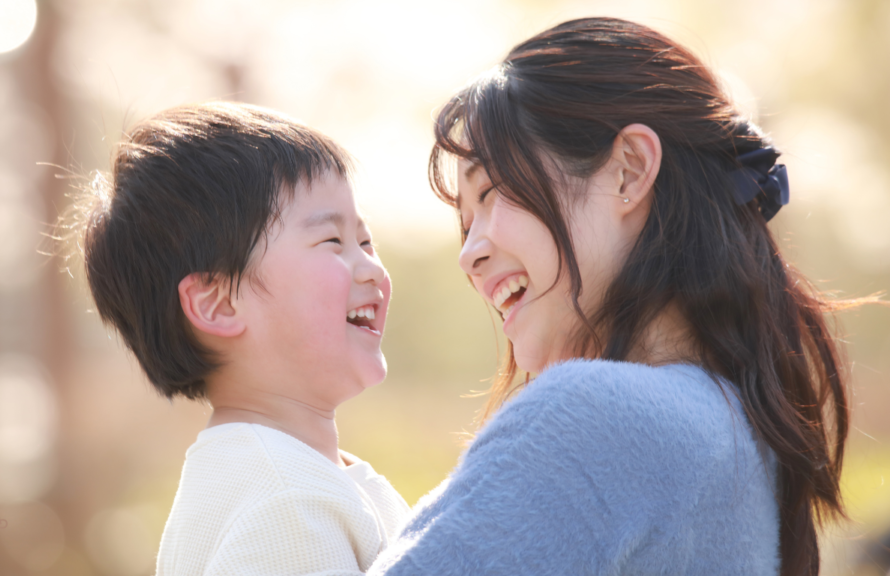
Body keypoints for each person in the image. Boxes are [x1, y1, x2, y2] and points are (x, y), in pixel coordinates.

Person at [369, 17, 875, 576]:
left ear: (629, 170)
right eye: (465, 224)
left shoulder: (597, 417)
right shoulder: (739, 430)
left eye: (491, 192)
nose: (470, 255)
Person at [75, 102, 409, 575]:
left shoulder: (289, 475)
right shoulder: (286, 505)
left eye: (366, 241)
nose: (371, 267)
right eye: (332, 242)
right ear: (218, 304)